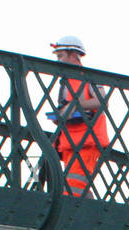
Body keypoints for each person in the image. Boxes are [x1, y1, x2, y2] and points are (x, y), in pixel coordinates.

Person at [50, 36, 110, 197]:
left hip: (87, 141)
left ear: (73, 54)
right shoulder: (65, 82)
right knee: (75, 186)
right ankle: (91, 212)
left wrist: (75, 105)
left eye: (60, 56)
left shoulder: (88, 77)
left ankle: (81, 216)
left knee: (72, 188)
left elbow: (102, 100)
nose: (58, 61)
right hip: (69, 143)